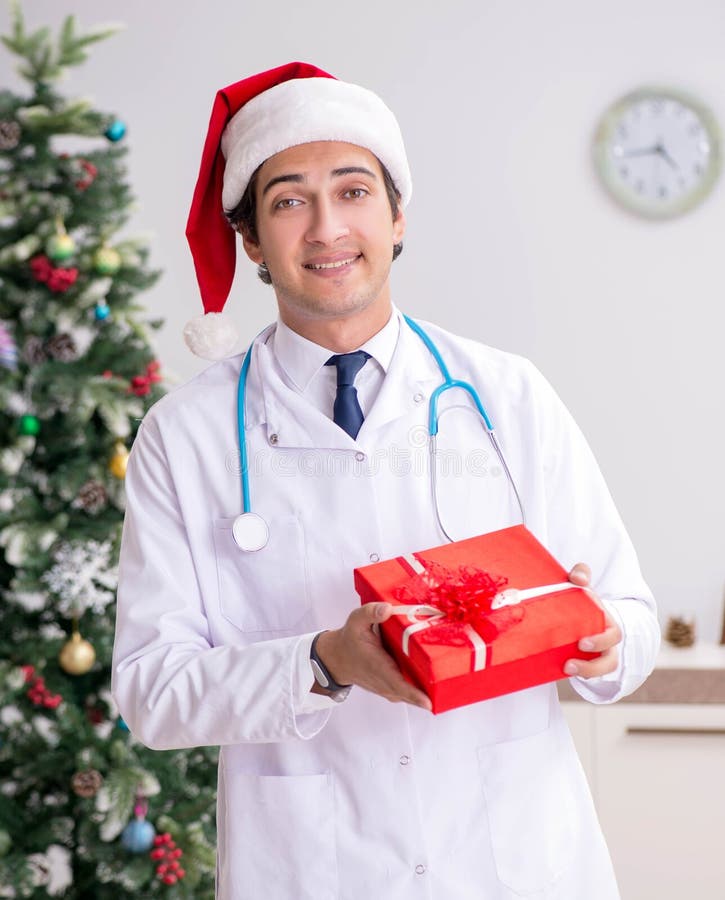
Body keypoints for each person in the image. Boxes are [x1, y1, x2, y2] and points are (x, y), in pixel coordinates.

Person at [112, 62, 660, 900]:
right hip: (309, 871)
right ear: (252, 240)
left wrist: (600, 641)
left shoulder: (506, 395)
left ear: (397, 216)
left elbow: (630, 621)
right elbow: (151, 692)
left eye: (355, 191)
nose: (327, 227)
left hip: (514, 864)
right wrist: (324, 662)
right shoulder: (183, 437)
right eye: (289, 200)